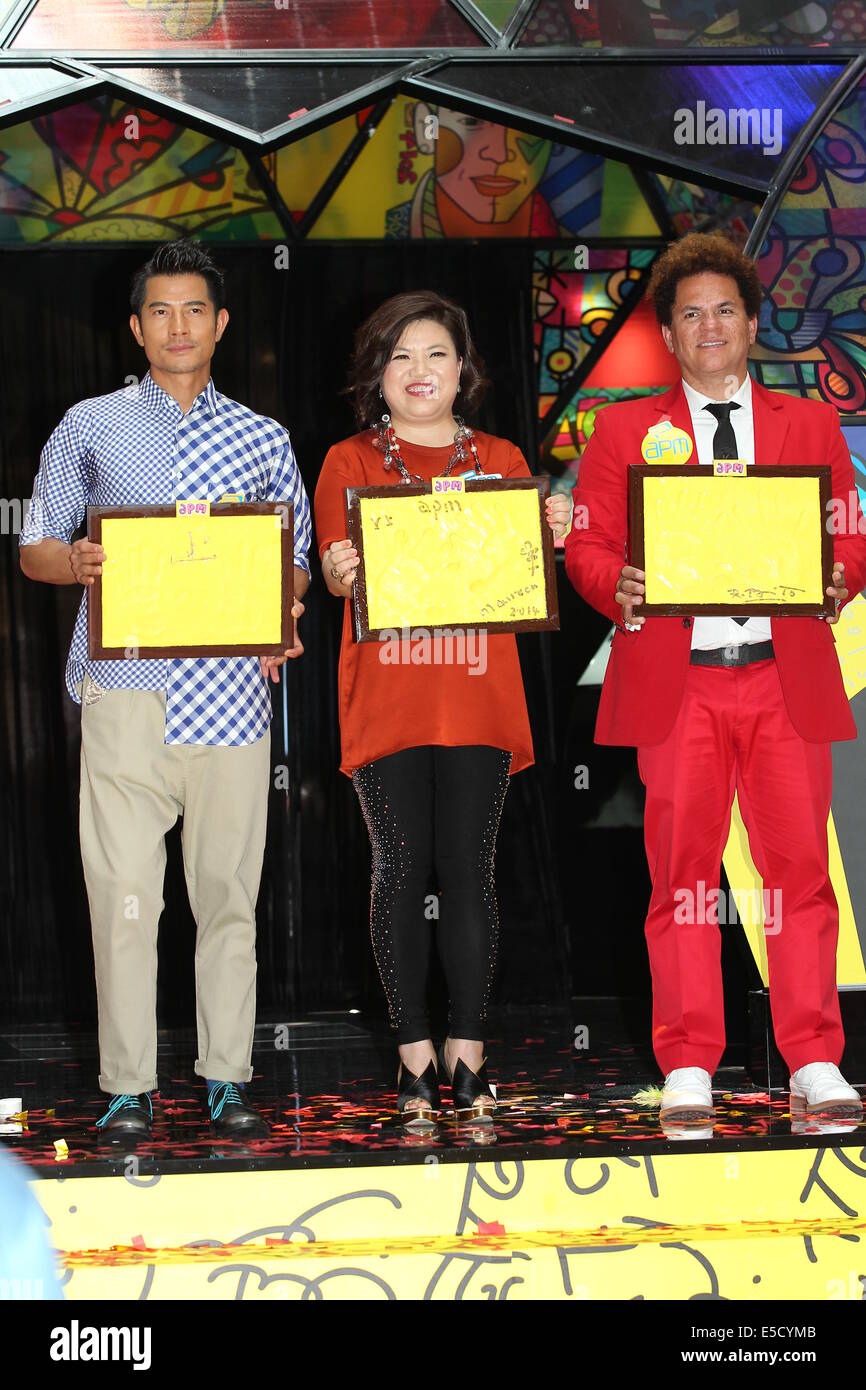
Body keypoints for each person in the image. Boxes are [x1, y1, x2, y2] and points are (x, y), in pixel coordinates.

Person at [565, 231, 866, 1122]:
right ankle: (690, 1057)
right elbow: (587, 541)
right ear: (669, 333)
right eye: (690, 312)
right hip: (680, 680)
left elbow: (847, 530)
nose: (708, 325)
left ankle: (813, 1054)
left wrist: (844, 575)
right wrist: (611, 585)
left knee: (800, 873)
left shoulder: (807, 423)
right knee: (682, 873)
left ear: (749, 324)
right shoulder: (626, 428)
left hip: (783, 675)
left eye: (724, 310)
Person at [19, 238, 311, 1141]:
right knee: (124, 897)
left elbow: (293, 561)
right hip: (126, 693)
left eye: (195, 310)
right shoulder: (90, 424)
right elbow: (34, 545)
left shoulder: (266, 439)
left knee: (228, 896)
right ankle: (128, 1085)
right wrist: (73, 560)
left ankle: (226, 1077)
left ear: (220, 325)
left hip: (229, 697)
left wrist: (283, 614)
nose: (177, 326)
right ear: (137, 326)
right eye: (160, 312)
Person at [314, 290, 569, 1124]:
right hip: (389, 696)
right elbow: (327, 569)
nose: (418, 372)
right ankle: (412, 1054)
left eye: (435, 355)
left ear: (463, 368)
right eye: (399, 357)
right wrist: (340, 569)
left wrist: (551, 526)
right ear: (376, 375)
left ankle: (469, 1049)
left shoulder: (500, 457)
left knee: (468, 871)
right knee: (397, 872)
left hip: (476, 694)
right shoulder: (347, 461)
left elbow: (521, 574)